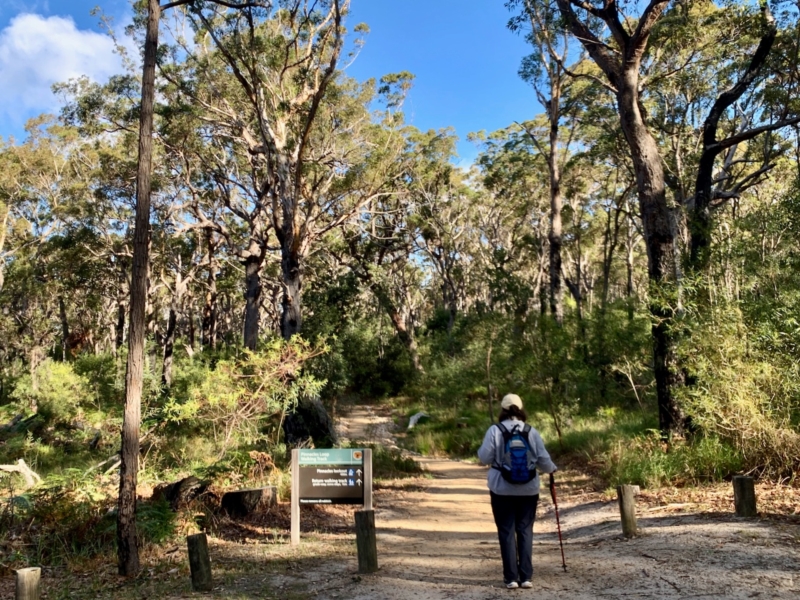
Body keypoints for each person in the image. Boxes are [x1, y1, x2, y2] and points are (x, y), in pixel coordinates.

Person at [477, 393, 558, 590]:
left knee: (506, 531)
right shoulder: (531, 431)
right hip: (529, 489)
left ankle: (511, 578)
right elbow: (543, 459)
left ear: (503, 410)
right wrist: (552, 470)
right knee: (525, 530)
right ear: (521, 409)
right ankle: (526, 577)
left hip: (501, 488)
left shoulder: (495, 430)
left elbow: (484, 458)